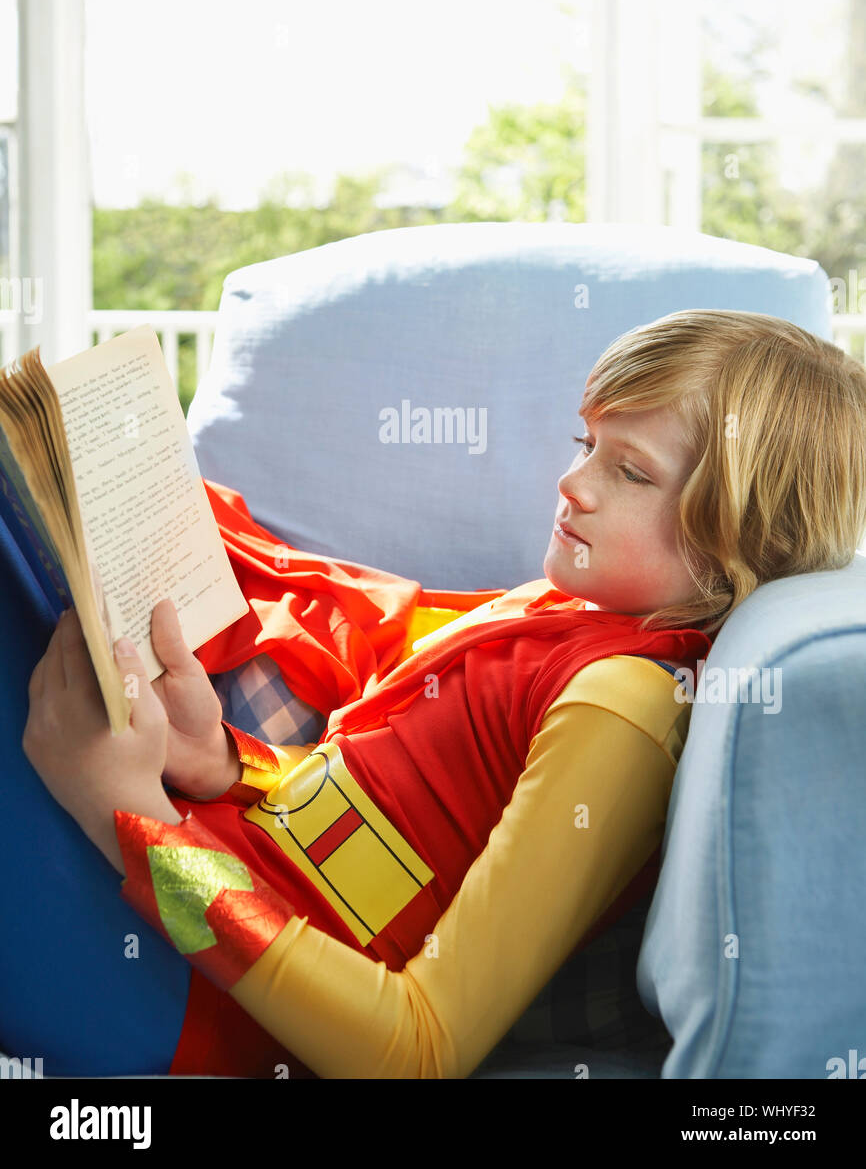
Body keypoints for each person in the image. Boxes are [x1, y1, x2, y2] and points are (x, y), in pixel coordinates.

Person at [16, 309, 866, 1079]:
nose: (574, 484)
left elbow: (418, 1050)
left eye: (633, 473)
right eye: (586, 444)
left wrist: (128, 818)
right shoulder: (572, 610)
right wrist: (223, 764)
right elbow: (376, 821)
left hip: (188, 999)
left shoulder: (622, 705)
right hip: (190, 878)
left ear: (742, 532)